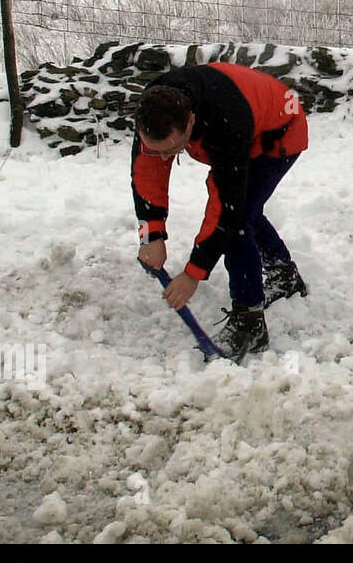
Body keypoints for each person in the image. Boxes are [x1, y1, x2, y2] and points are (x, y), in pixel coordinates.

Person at [132, 62, 309, 362]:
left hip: (279, 132)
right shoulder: (156, 109)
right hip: (247, 119)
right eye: (157, 149)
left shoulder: (225, 124)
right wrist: (152, 233)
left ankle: (249, 320)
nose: (163, 157)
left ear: (190, 121)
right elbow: (147, 171)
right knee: (245, 210)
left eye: (171, 149)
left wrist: (194, 272)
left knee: (239, 218)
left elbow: (225, 209)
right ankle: (284, 274)